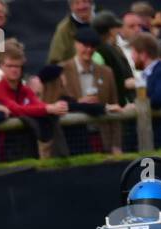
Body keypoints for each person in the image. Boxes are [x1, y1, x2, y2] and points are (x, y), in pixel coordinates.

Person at [43, 25, 124, 154]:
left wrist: (116, 145)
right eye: (84, 45)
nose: (89, 49)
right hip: (71, 139)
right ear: (76, 44)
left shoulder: (107, 72)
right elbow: (51, 103)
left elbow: (114, 106)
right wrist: (78, 102)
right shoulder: (60, 70)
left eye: (92, 46)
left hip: (102, 138)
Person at [0, 40, 67, 159]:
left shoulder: (25, 89)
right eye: (10, 66)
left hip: (25, 147)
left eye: (17, 66)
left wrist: (53, 107)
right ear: (1, 66)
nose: (14, 70)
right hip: (1, 151)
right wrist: (49, 108)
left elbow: (37, 104)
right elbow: (17, 109)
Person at [92, 11, 136, 104]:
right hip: (113, 107)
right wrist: (124, 84)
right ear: (111, 30)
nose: (118, 31)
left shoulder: (115, 49)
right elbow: (100, 82)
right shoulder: (99, 53)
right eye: (116, 28)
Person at [50, 0, 96, 66]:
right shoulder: (64, 29)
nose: (81, 6)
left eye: (85, 1)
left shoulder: (104, 23)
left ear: (91, 3)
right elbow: (55, 60)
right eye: (77, 3)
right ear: (71, 7)